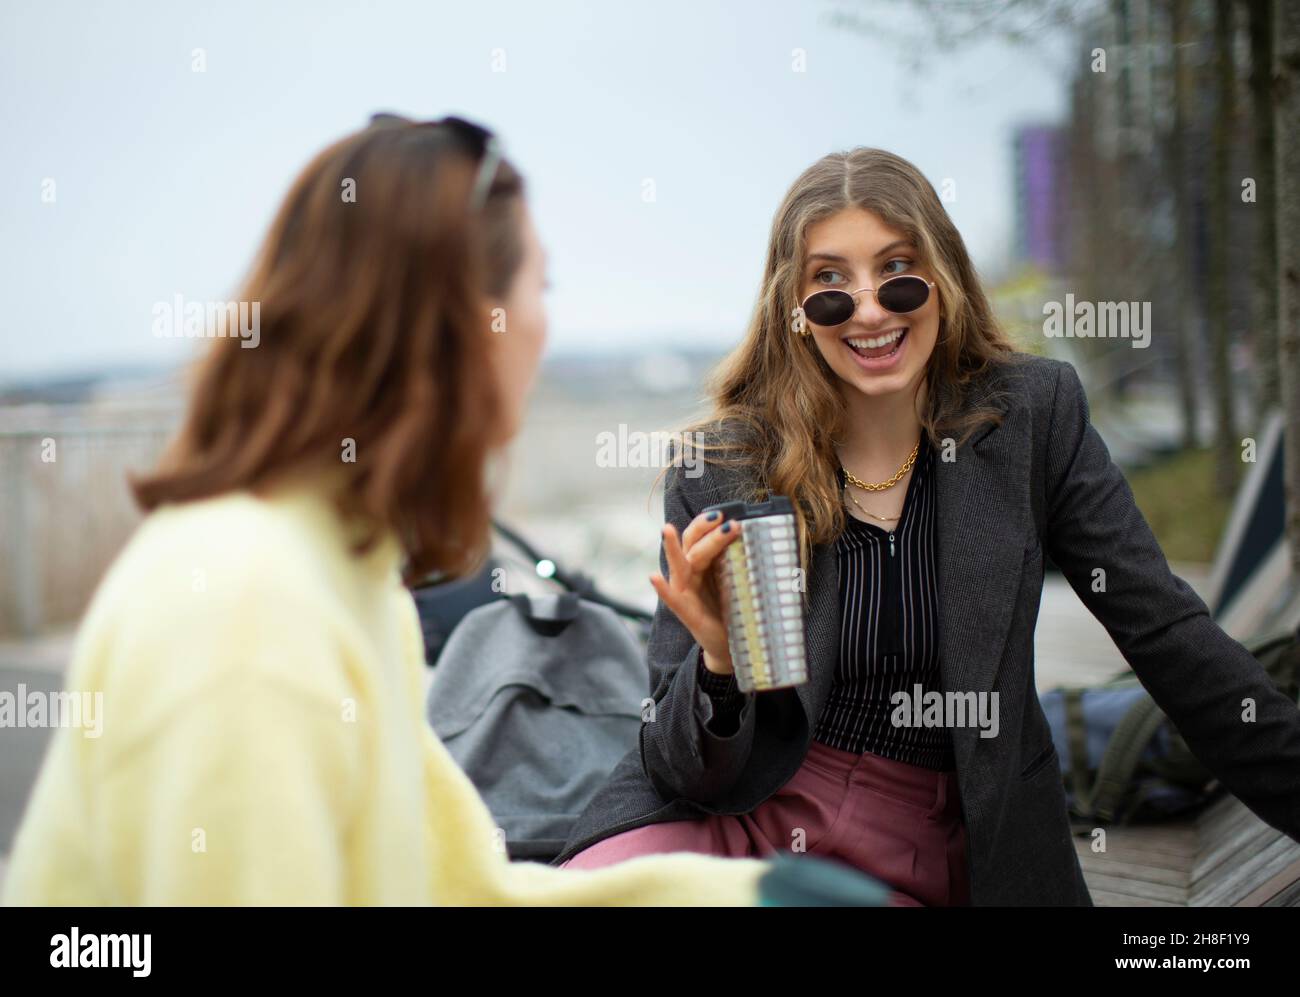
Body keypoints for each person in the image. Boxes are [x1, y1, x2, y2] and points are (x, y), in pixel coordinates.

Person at [0, 114, 772, 905]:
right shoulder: (253, 610)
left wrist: (753, 895)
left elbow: (457, 887)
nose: (544, 325)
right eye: (539, 287)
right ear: (466, 325)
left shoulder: (342, 576)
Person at [555, 147, 1300, 906]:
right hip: (741, 815)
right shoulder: (724, 466)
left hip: (932, 837)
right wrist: (717, 663)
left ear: (942, 276)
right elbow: (682, 768)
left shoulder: (1033, 418)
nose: (871, 308)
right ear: (795, 309)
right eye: (830, 283)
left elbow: (1168, 635)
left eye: (896, 268)